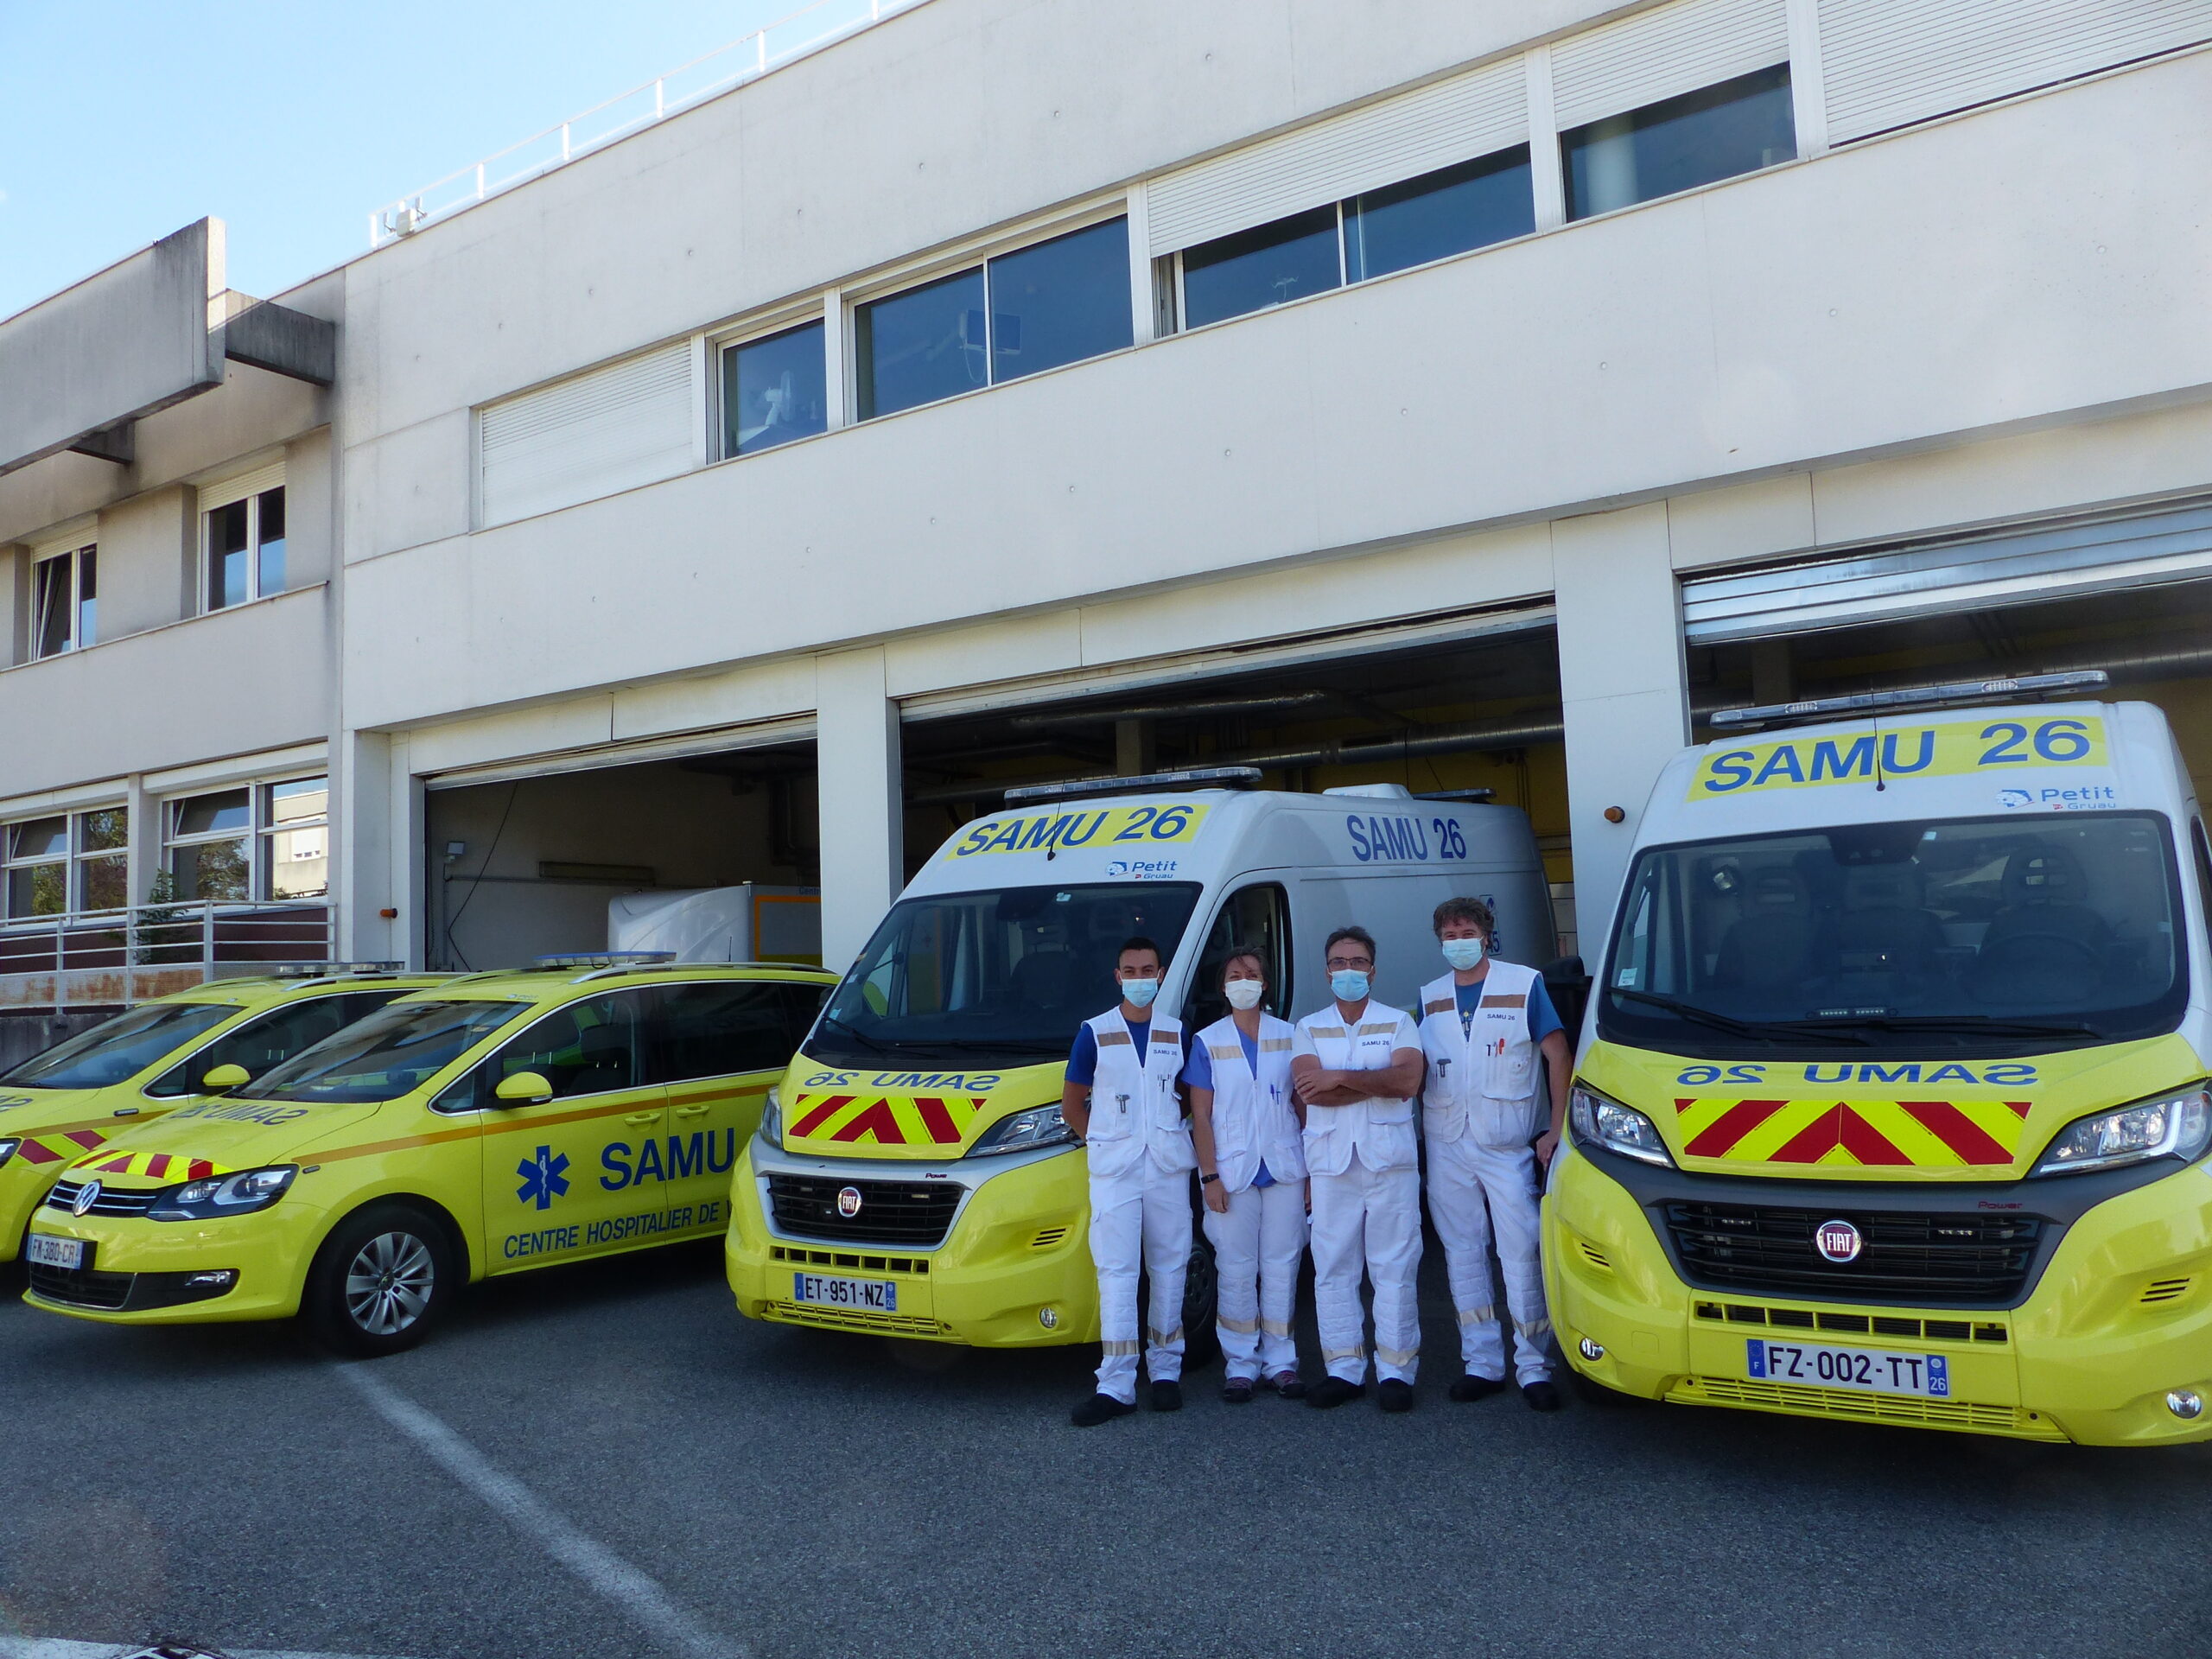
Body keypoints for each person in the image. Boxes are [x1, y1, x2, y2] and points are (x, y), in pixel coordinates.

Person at [1415, 896, 1571, 1412]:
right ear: (1440, 940)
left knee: (1521, 1249)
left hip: (1507, 1144)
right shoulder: (1430, 996)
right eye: (1450, 934)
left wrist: (1556, 1128)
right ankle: (1481, 1362)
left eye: (1467, 932)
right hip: (1447, 1141)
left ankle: (1534, 1365)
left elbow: (1557, 1055)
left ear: (1486, 935)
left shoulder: (1523, 984)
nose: (1458, 941)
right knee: (1462, 1251)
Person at [1290, 925, 1427, 1412]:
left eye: (1358, 962)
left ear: (1373, 970)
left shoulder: (1399, 1022)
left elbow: (1408, 1081)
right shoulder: (1308, 1028)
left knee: (1395, 1266)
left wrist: (1340, 1076)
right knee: (1332, 1267)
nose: (1348, 970)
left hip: (1390, 1162)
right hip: (1331, 1164)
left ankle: (1396, 1371)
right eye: (1339, 962)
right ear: (1327, 971)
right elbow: (1311, 1091)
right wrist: (1372, 1081)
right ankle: (1344, 1370)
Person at [1061, 936, 1195, 1427]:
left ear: (1161, 975)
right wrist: (1102, 1142)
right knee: (1116, 1272)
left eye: (1148, 971)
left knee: (1171, 1267)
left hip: (1166, 1166)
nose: (1140, 979)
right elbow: (1072, 1105)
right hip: (1116, 1171)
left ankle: (1165, 1373)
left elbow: (1188, 1098)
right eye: (1131, 971)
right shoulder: (1094, 1033)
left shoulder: (1176, 1032)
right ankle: (1116, 1385)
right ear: (1118, 978)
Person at [1184, 948, 1306, 1403]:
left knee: (1282, 1265)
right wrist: (1209, 1176)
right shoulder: (1208, 1041)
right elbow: (1201, 1116)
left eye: (1252, 974)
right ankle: (1240, 1364)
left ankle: (1281, 1362)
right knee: (1235, 1268)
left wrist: (1314, 1172)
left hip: (1285, 1167)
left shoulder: (1291, 1036)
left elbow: (1302, 1105)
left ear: (1265, 984)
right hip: (1232, 1171)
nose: (1244, 981)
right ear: (1223, 987)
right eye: (1235, 975)